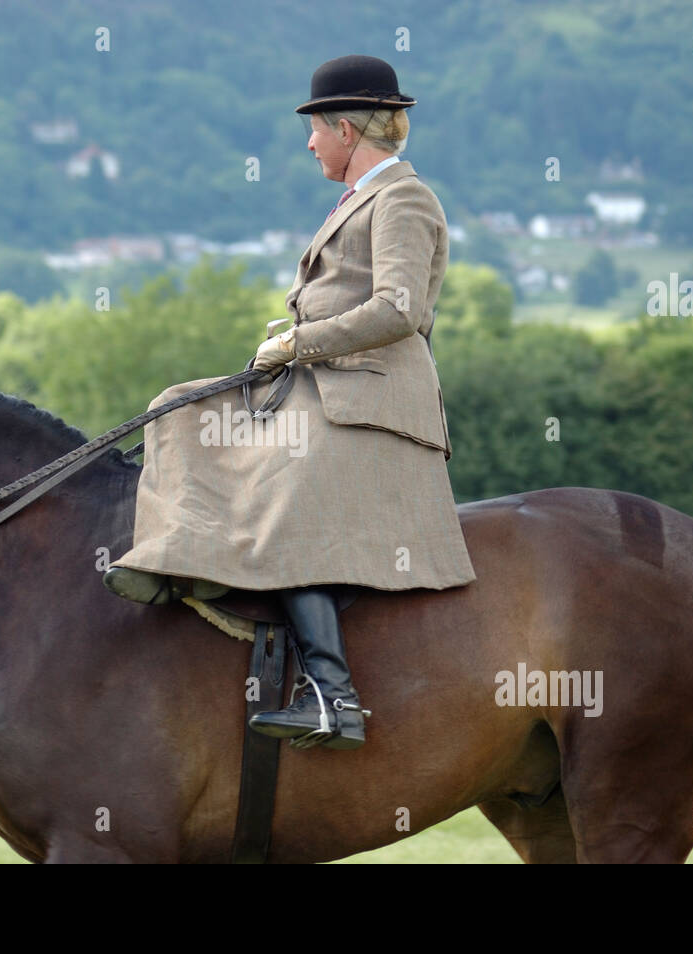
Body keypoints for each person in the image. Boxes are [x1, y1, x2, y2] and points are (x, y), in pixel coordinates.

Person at [103, 54, 475, 749]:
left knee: (286, 504)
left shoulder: (403, 198)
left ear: (345, 127)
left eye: (314, 130)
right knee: (182, 407)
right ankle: (176, 559)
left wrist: (298, 343)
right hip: (326, 390)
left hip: (372, 401)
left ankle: (334, 699)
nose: (308, 144)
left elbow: (398, 309)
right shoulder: (359, 198)